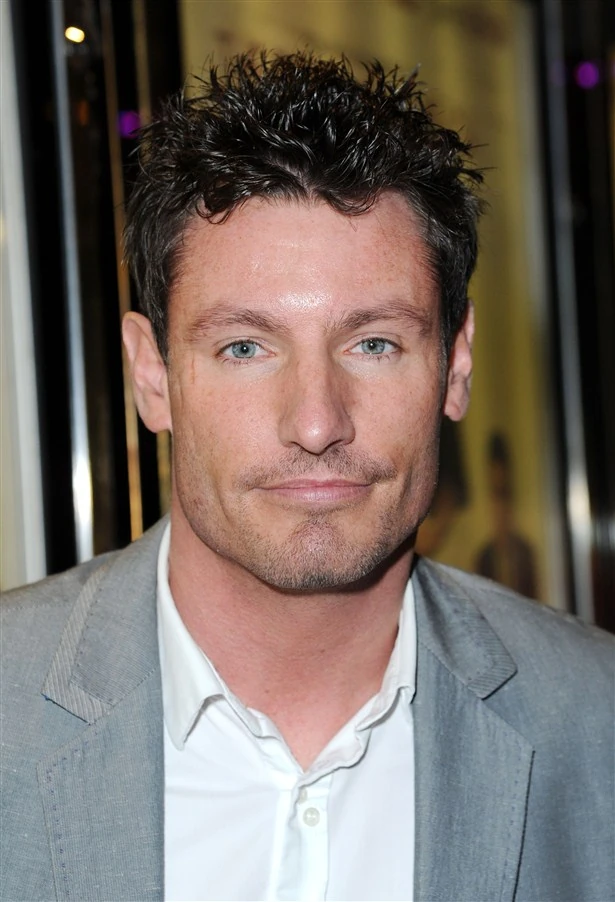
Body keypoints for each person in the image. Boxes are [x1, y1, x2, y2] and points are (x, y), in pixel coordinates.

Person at [1, 52, 613, 902]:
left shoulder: (595, 723)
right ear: (152, 376)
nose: (317, 423)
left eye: (374, 343)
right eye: (245, 347)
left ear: (455, 364)